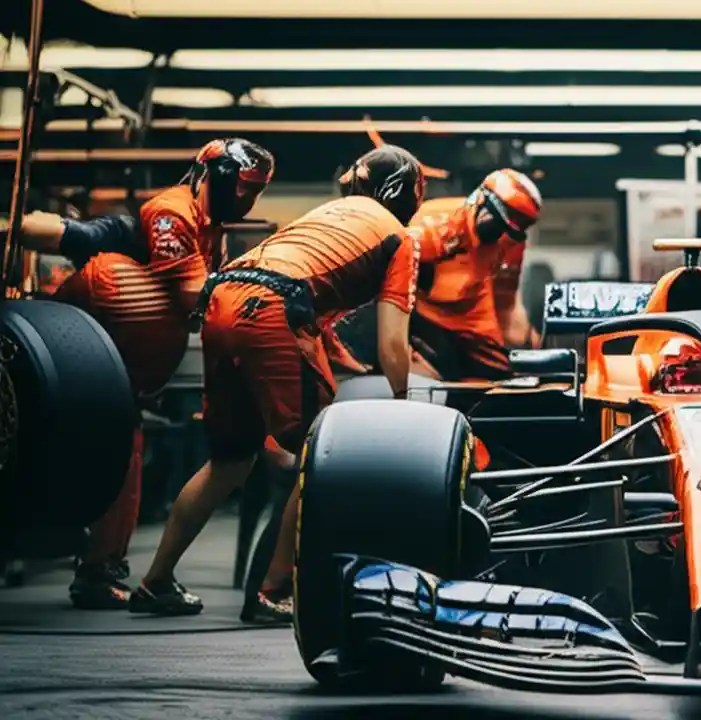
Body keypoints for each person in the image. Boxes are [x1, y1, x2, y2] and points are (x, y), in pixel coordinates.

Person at [129, 145, 470, 621]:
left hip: (224, 295)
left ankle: (155, 581)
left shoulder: (328, 214)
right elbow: (393, 343)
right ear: (406, 195)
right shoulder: (400, 238)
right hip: (273, 308)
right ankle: (274, 590)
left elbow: (312, 310)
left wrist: (348, 366)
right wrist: (405, 407)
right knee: (320, 455)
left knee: (228, 461)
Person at [13, 138, 275, 609]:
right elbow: (191, 297)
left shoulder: (209, 230)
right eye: (240, 186)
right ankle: (91, 561)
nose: (244, 199)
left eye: (252, 191)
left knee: (122, 446)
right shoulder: (173, 212)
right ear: (211, 175)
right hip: (76, 340)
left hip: (107, 366)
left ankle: (98, 565)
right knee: (101, 254)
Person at [407, 169, 543, 380]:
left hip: (473, 308)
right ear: (479, 199)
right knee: (433, 377)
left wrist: (529, 344)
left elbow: (506, 298)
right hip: (423, 308)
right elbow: (388, 286)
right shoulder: (429, 225)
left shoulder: (512, 241)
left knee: (501, 375)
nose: (499, 234)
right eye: (495, 222)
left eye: (507, 230)